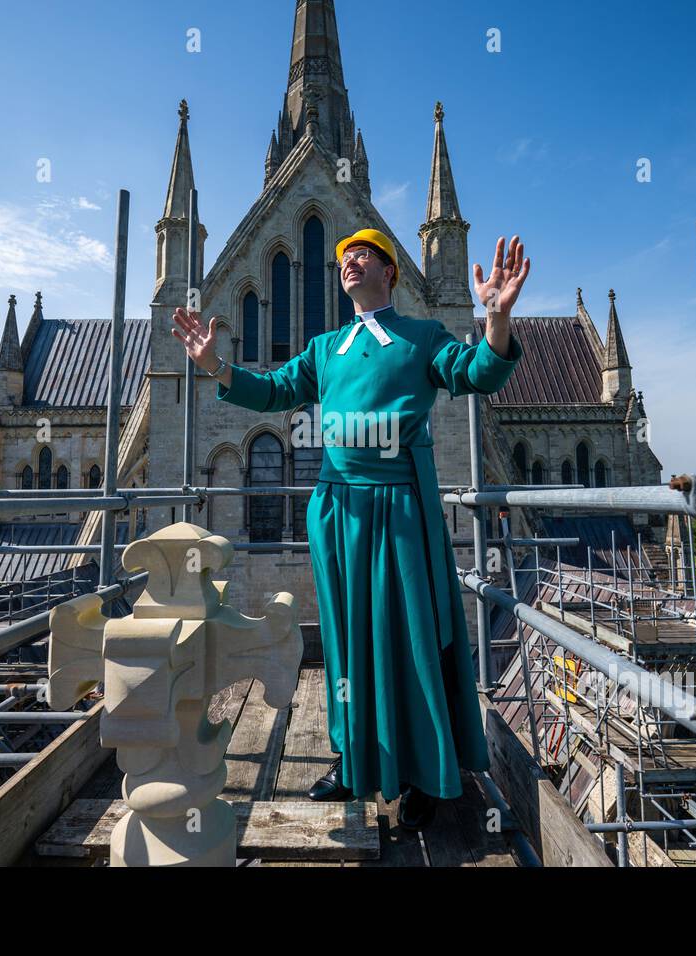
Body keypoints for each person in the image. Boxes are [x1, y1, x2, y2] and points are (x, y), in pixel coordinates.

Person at [171, 227, 529, 831]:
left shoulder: (422, 337)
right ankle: (353, 759)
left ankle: (424, 773)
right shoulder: (325, 347)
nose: (348, 262)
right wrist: (216, 366)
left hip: (399, 508)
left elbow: (478, 374)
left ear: (389, 272)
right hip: (336, 509)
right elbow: (274, 391)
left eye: (362, 254)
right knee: (346, 637)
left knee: (410, 635)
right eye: (343, 257)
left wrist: (494, 318)